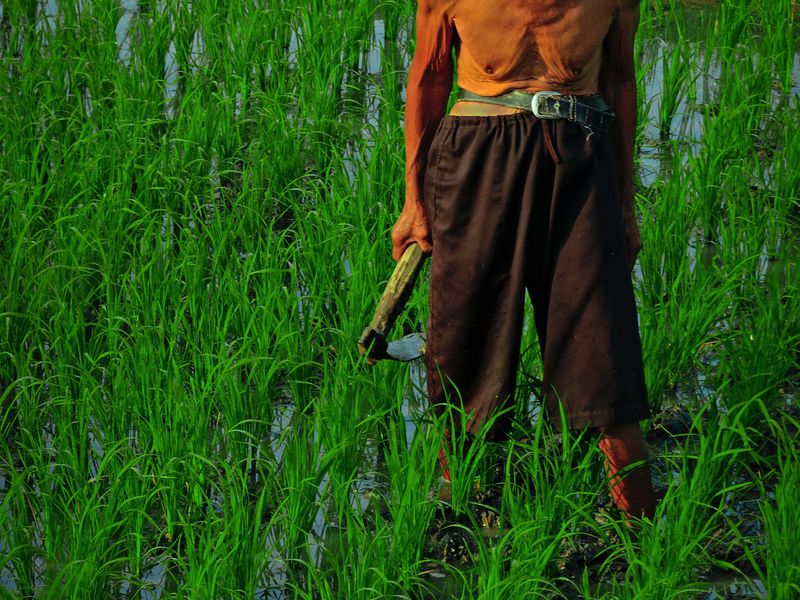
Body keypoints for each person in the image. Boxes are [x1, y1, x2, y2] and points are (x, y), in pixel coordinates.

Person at [391, 0, 656, 520]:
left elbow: (621, 81)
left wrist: (625, 206)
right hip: (477, 158)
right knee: (462, 349)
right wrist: (413, 202)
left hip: (581, 160)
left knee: (604, 357)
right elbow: (429, 76)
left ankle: (643, 536)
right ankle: (455, 507)